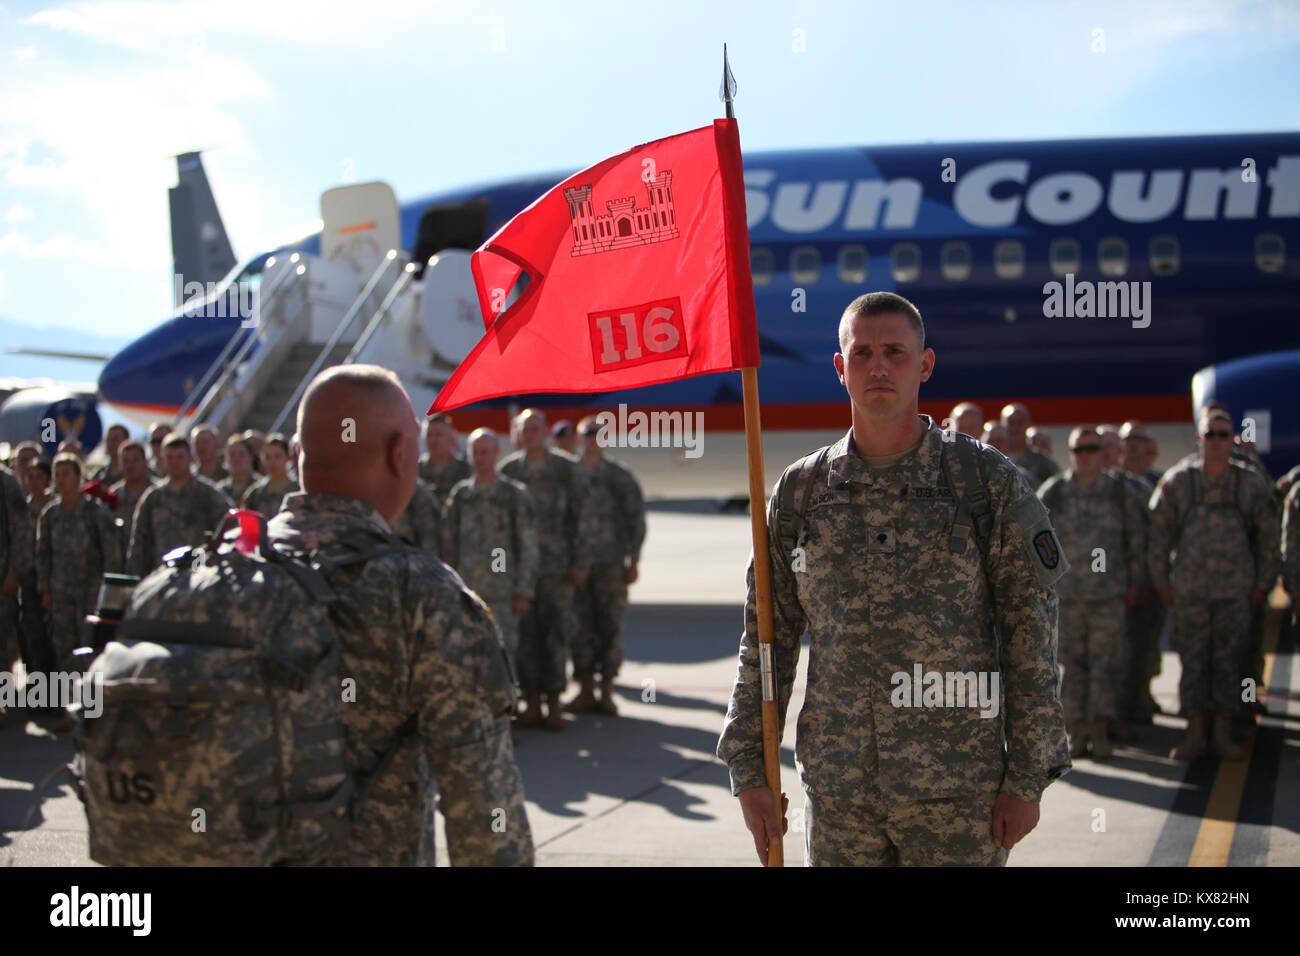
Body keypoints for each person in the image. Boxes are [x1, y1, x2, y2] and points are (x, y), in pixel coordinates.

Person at [718, 292, 1070, 867]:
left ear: (924, 365)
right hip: (840, 798)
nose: (878, 366)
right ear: (840, 368)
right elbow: (766, 639)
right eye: (862, 353)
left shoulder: (983, 482)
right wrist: (750, 768)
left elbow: (1031, 636)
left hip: (958, 797)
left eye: (895, 352)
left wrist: (1028, 775)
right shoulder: (801, 493)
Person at [268, 364, 533, 865]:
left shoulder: (202, 571)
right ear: (399, 454)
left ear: (300, 455)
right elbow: (484, 814)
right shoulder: (424, 598)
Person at [1147, 408, 1279, 761]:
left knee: (1227, 662)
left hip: (1235, 591)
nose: (1218, 442)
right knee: (1193, 662)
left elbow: (1268, 538)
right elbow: (1159, 537)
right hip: (1190, 591)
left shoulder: (1249, 483)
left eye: (1224, 434)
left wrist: (1262, 585)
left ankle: (1221, 732)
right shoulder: (1179, 482)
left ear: (1232, 439)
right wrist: (1162, 583)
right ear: (1200, 439)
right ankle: (1194, 733)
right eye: (1212, 434)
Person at [1037, 427, 1146, 759]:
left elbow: (1136, 539)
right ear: (1070, 453)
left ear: (1102, 452)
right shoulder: (1055, 491)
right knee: (1071, 666)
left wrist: (1135, 582)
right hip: (1067, 595)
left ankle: (1100, 729)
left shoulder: (1118, 491)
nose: (1085, 455)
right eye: (1079, 449)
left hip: (1108, 593)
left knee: (1105, 664)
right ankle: (1077, 730)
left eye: (1092, 448)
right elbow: (1036, 536)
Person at [499, 408, 591, 731]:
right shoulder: (509, 471)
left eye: (536, 428)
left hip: (557, 567)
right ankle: (532, 702)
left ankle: (554, 704)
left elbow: (582, 519)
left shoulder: (566, 469)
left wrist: (579, 564)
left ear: (546, 432)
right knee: (525, 637)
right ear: (518, 434)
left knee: (555, 634)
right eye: (526, 429)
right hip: (522, 571)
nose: (531, 434)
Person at [564, 415, 646, 716]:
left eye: (598, 434)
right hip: (577, 566)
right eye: (587, 434)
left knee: (610, 627)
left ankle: (607, 691)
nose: (592, 440)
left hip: (611, 564)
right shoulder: (569, 475)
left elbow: (635, 518)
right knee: (579, 627)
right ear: (578, 439)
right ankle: (585, 690)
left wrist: (633, 558)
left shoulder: (618, 476)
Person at [443, 428, 538, 679]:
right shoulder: (461, 495)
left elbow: (527, 545)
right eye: (476, 452)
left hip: (502, 593)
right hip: (467, 593)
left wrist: (523, 590)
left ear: (497, 453)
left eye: (485, 451)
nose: (480, 457)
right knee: (466, 657)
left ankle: (506, 716)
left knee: (503, 657)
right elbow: (449, 545)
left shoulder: (514, 495)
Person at [36, 454, 119, 674]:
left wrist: (107, 593)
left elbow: (111, 554)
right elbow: (43, 554)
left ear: (79, 477)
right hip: (60, 592)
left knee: (90, 648)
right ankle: (67, 700)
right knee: (63, 647)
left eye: (66, 474)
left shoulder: (96, 512)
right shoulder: (50, 515)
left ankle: (91, 700)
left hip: (90, 592)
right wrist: (45, 588)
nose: (61, 480)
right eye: (57, 475)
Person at [126, 433, 232, 576]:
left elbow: (230, 530)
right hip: (160, 578)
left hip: (198, 577)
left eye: (180, 457)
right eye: (169, 457)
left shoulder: (208, 495)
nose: (175, 462)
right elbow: (138, 544)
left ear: (190, 458)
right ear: (162, 460)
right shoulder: (153, 498)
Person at [108, 441, 154, 567]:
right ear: (119, 464)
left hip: (154, 568)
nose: (130, 465)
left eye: (135, 460)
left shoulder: (157, 494)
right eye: (126, 461)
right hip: (120, 568)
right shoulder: (112, 497)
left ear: (146, 462)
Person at [241, 433, 299, 515]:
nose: (272, 463)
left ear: (288, 457)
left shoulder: (298, 490)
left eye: (277, 456)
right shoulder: (254, 494)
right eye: (267, 457)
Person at [1001, 404, 1060, 485]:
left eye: (1020, 423)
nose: (1015, 428)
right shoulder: (994, 459)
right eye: (1011, 423)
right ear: (1002, 425)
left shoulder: (1044, 462)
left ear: (1028, 425)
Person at [419, 413, 472, 503]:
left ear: (451, 437)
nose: (433, 440)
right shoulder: (416, 470)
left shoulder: (465, 469)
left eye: (439, 434)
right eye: (429, 435)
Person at [217, 434, 257, 505]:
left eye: (241, 454)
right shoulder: (220, 491)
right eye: (232, 454)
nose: (236, 459)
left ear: (251, 457)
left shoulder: (260, 488)